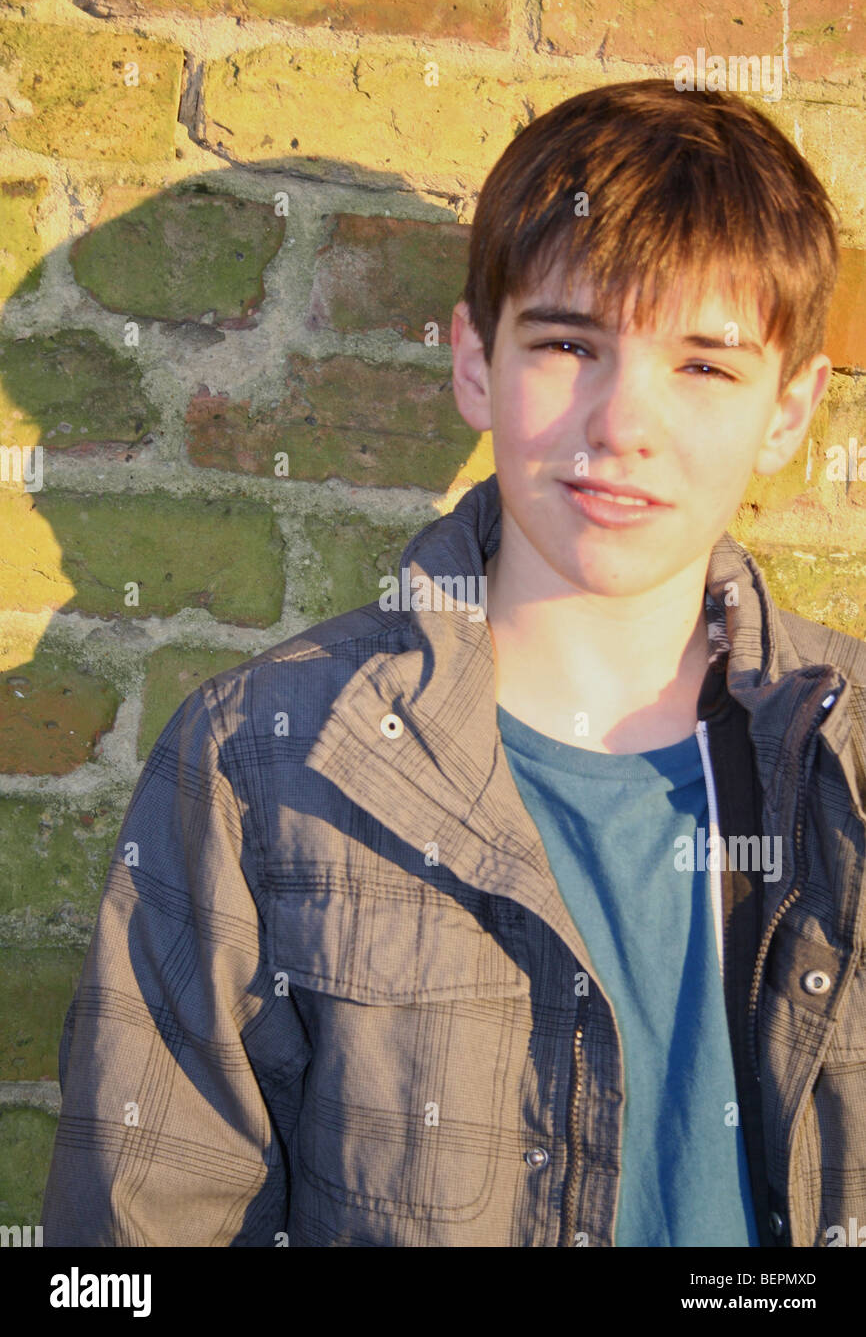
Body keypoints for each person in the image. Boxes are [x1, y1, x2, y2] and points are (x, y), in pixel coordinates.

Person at [41, 78, 866, 1248]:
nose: (621, 420)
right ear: (473, 361)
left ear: (787, 413)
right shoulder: (255, 767)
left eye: (703, 366)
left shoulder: (850, 758)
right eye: (569, 342)